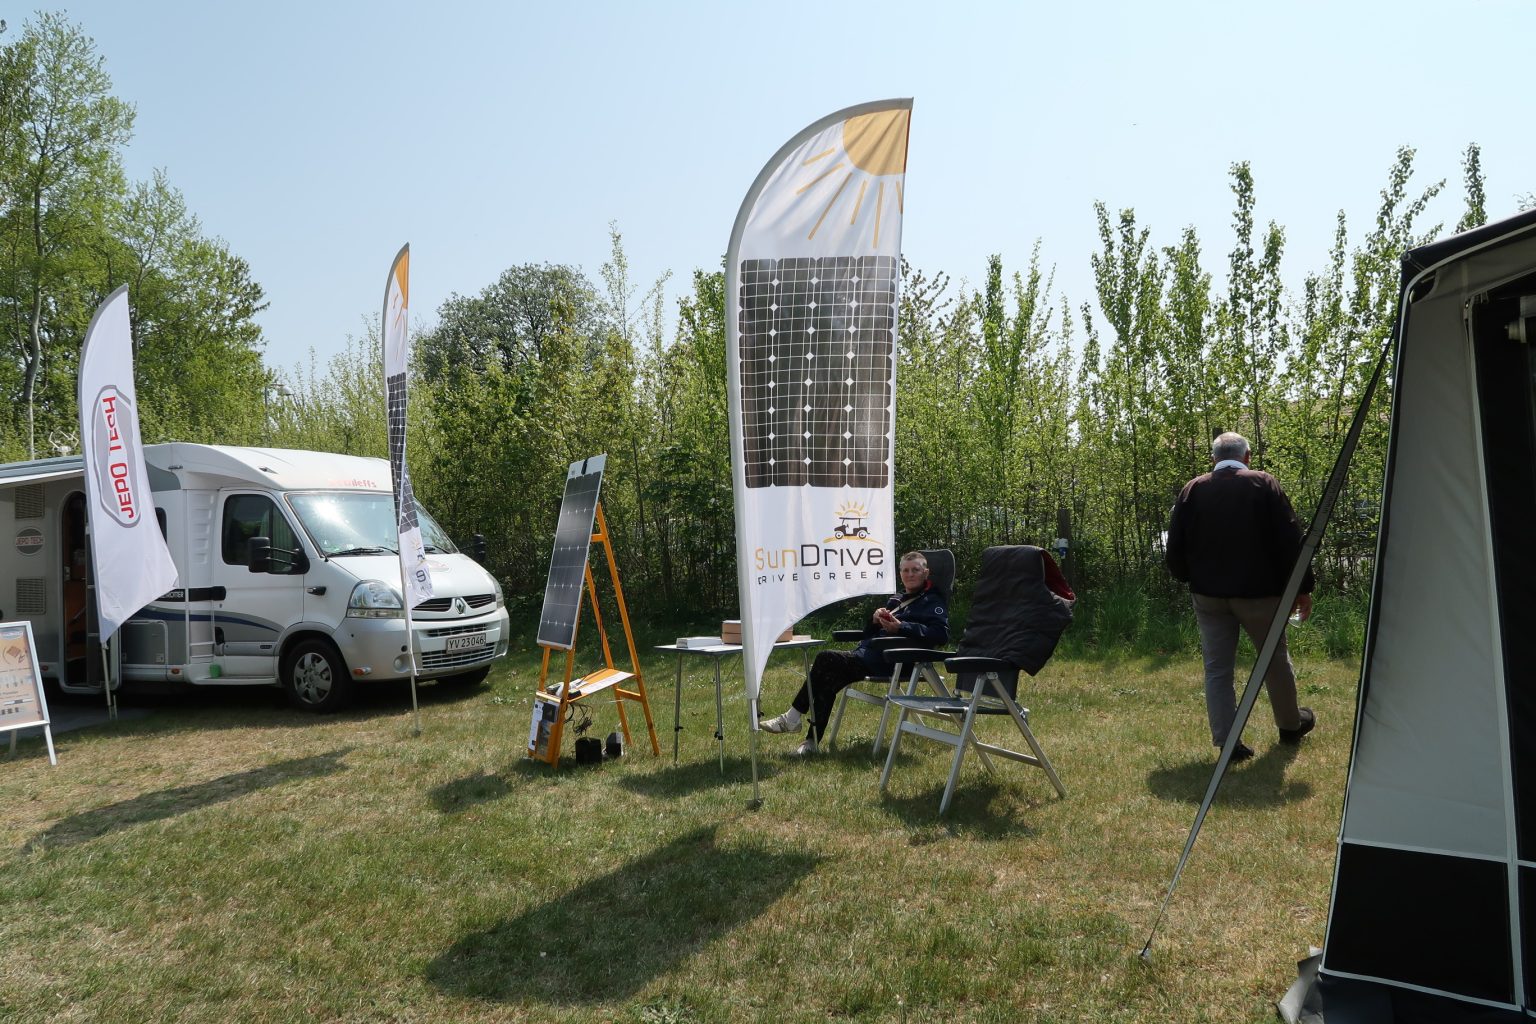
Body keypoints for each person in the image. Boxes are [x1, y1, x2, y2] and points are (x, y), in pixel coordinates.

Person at [1166, 431, 1317, 761]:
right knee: (1273, 659)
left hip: (1208, 596)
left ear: (1213, 459)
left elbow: (1174, 544)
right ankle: (1291, 726)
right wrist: (1302, 586)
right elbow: (1291, 539)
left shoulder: (1193, 488)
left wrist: (1187, 577)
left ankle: (1227, 741)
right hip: (1259, 594)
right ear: (1247, 457)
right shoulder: (1263, 484)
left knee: (1217, 669)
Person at [759, 551, 949, 755]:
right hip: (868, 655)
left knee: (826, 658)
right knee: (828, 679)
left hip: (896, 660)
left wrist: (902, 628)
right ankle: (811, 742)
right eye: (905, 570)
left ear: (926, 572)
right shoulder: (896, 600)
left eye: (915, 570)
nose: (910, 574)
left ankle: (792, 718)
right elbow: (869, 634)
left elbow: (940, 635)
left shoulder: (932, 602)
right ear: (900, 573)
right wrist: (875, 619)